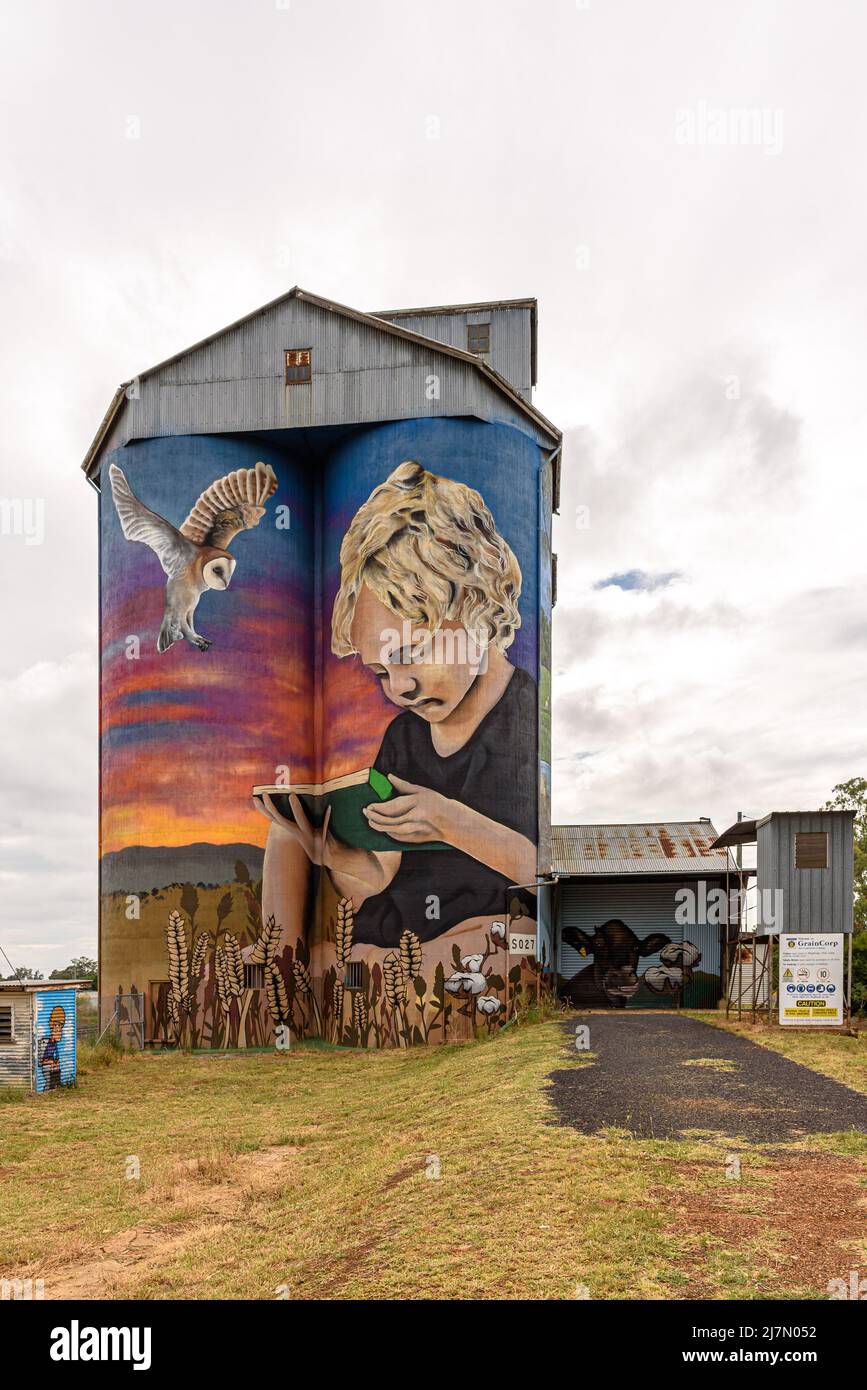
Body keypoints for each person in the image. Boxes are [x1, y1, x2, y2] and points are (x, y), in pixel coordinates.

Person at [258, 460, 537, 948]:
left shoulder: (527, 717)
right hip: (399, 938)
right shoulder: (403, 739)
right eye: (380, 671)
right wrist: (333, 855)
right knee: (286, 832)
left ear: (475, 604)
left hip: (489, 936)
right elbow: (377, 878)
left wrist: (449, 821)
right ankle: (276, 957)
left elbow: (541, 870)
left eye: (411, 654)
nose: (398, 689)